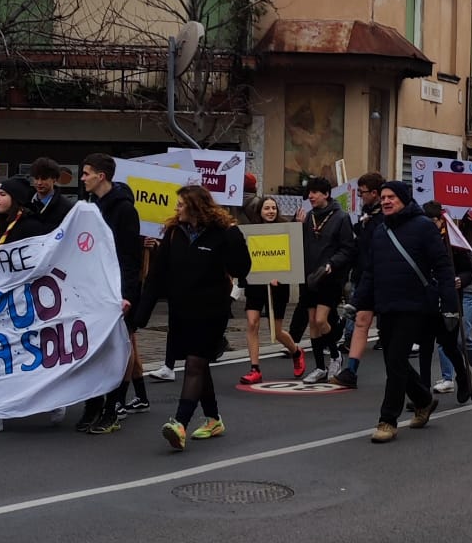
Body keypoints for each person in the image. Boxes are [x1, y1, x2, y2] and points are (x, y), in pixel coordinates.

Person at [139, 184, 252, 451]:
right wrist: (141, 315)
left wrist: (235, 236)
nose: (176, 208)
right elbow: (156, 276)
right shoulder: (174, 233)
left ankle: (179, 424)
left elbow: (241, 268)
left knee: (194, 363)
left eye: (180, 204)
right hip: (182, 311)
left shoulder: (222, 233)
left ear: (195, 206)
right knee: (198, 365)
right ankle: (213, 418)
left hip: (211, 311)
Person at [352, 181, 459, 443]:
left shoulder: (423, 226)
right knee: (393, 360)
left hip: (415, 305)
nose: (386, 201)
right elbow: (371, 271)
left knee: (396, 360)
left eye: (392, 197)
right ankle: (423, 400)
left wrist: (450, 305)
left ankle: (388, 420)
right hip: (386, 304)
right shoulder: (380, 231)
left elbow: (443, 267)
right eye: (383, 197)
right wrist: (358, 301)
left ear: (403, 199)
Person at [0, 179, 53, 436]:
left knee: (29, 354)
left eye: (3, 194)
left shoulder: (33, 227)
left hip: (24, 305)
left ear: (16, 199)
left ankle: (54, 398)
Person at [75, 153, 148, 432]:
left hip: (118, 289)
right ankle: (93, 404)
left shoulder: (124, 210)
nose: (83, 178)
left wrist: (128, 294)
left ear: (101, 176)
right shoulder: (91, 206)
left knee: (119, 348)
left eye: (86, 173)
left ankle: (112, 407)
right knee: (93, 348)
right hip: (95, 288)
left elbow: (130, 257)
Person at [239, 195, 304, 385]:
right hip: (256, 284)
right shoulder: (251, 231)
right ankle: (255, 368)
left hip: (278, 286)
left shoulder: (285, 229)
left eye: (273, 208)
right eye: (266, 208)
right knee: (252, 323)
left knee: (276, 331)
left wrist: (281, 276)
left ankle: (296, 351)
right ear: (259, 211)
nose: (270, 211)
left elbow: (291, 257)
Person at [296, 177, 356, 383]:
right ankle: (320, 367)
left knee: (321, 320)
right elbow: (300, 244)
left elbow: (348, 249)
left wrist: (332, 264)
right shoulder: (309, 217)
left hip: (329, 277)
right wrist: (297, 227)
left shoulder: (341, 217)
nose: (311, 197)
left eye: (315, 193)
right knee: (313, 322)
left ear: (326, 194)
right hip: (309, 277)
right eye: (309, 193)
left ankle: (336, 355)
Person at [332, 173, 385, 390]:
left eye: (362, 192)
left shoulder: (385, 217)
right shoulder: (366, 214)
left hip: (385, 277)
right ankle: (351, 371)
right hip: (364, 275)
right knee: (361, 320)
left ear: (374, 193)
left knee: (390, 330)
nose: (360, 196)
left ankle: (406, 379)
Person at [430, 205, 472, 395]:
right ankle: (447, 378)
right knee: (445, 337)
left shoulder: (470, 238)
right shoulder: (438, 238)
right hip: (446, 293)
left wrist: (464, 247)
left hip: (467, 292)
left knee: (463, 338)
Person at [26, 157, 73, 229]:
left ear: (54, 179)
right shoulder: (25, 204)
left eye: (44, 178)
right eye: (36, 178)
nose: (39, 183)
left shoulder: (66, 207)